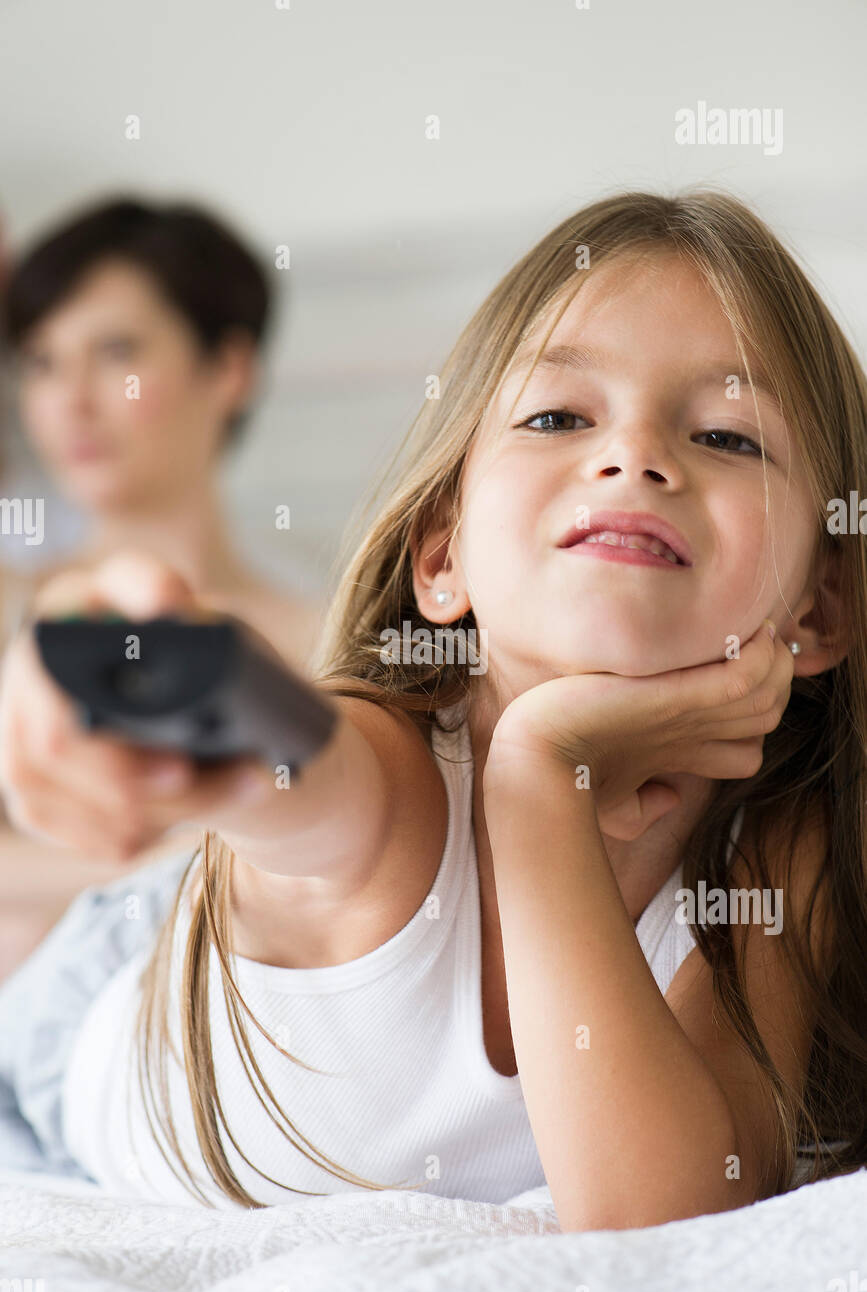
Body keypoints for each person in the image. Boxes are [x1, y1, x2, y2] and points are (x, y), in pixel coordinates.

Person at [0, 189, 863, 1231]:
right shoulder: (386, 775)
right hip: (73, 1026)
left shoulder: (771, 858)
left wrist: (542, 780)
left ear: (820, 605)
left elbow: (662, 1215)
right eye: (557, 417)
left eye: (728, 435)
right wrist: (116, 653)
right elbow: (264, 736)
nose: (634, 455)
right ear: (443, 554)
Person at [0, 199, 321, 978]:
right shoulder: (10, 607)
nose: (71, 399)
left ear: (229, 369)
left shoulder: (325, 635)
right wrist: (194, 854)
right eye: (41, 362)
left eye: (116, 352)